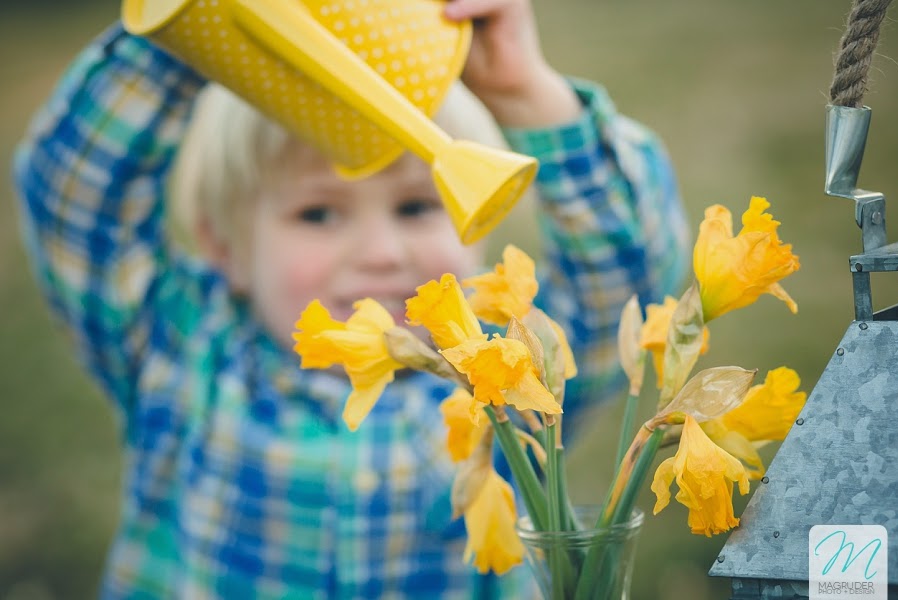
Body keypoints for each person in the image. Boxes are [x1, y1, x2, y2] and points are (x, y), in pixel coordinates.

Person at [13, 0, 689, 597]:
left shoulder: (503, 380)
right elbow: (74, 197)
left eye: (418, 206)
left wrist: (527, 94)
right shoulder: (180, 347)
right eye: (317, 214)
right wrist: (196, 31)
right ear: (225, 247)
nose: (382, 253)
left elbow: (625, 285)